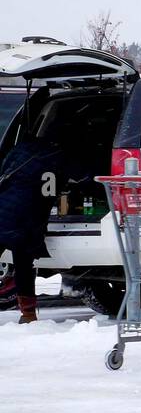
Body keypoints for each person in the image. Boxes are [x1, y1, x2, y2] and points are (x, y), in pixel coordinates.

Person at [0, 133, 63, 323]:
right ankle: (27, 314)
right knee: (23, 266)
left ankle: (28, 314)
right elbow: (83, 174)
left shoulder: (20, 148)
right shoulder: (58, 154)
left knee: (22, 264)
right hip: (23, 218)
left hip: (4, 207)